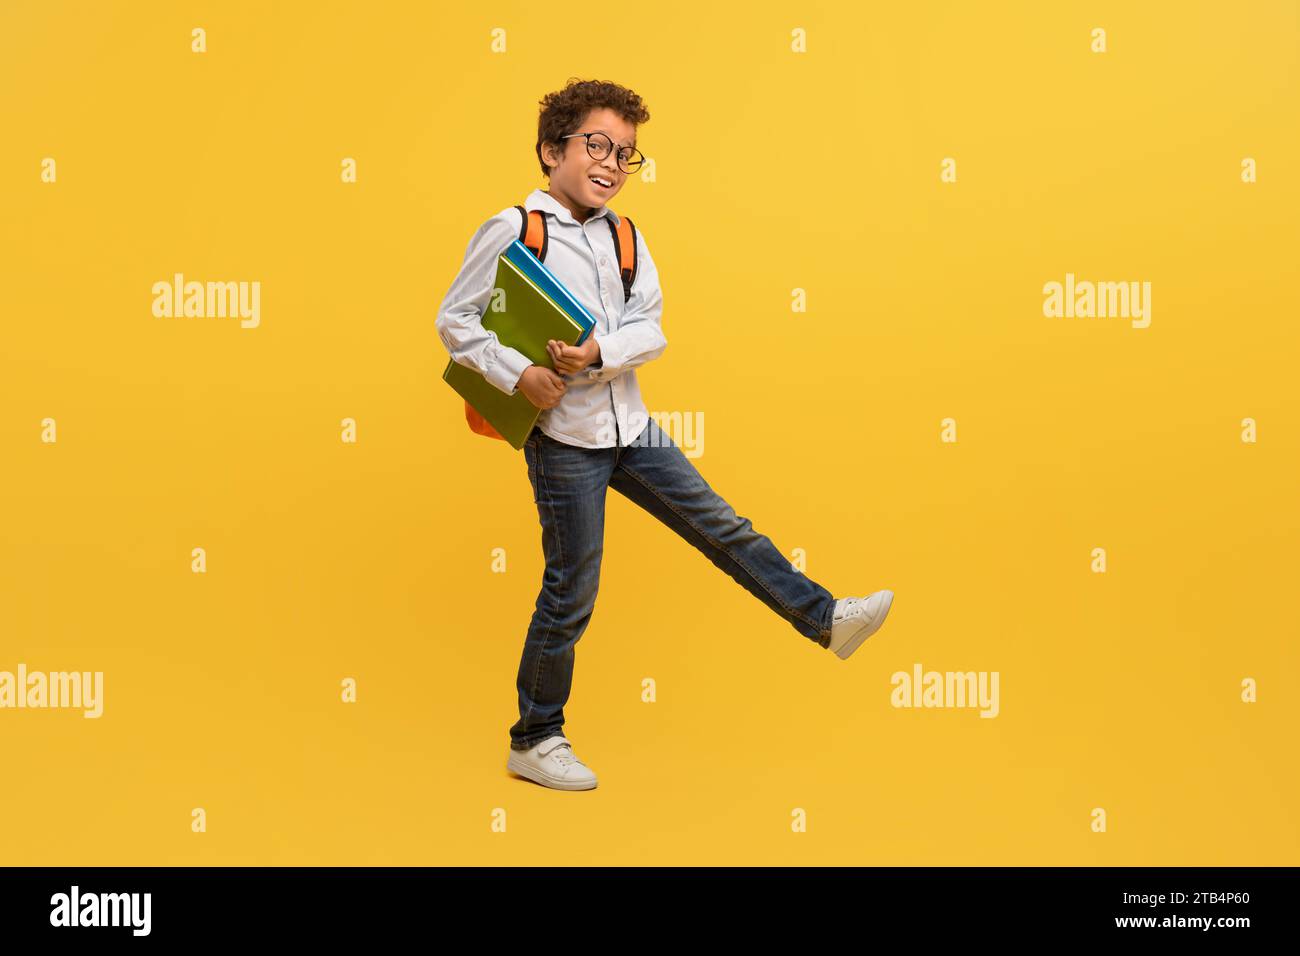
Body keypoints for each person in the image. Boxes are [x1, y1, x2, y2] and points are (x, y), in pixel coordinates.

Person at [435, 78, 894, 792]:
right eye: (597, 145)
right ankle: (535, 738)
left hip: (632, 426)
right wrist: (518, 372)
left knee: (725, 528)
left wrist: (599, 354)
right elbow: (455, 321)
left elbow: (652, 326)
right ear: (552, 149)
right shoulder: (513, 228)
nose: (613, 164)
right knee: (571, 588)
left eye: (626, 153)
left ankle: (827, 619)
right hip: (564, 440)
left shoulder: (625, 235)